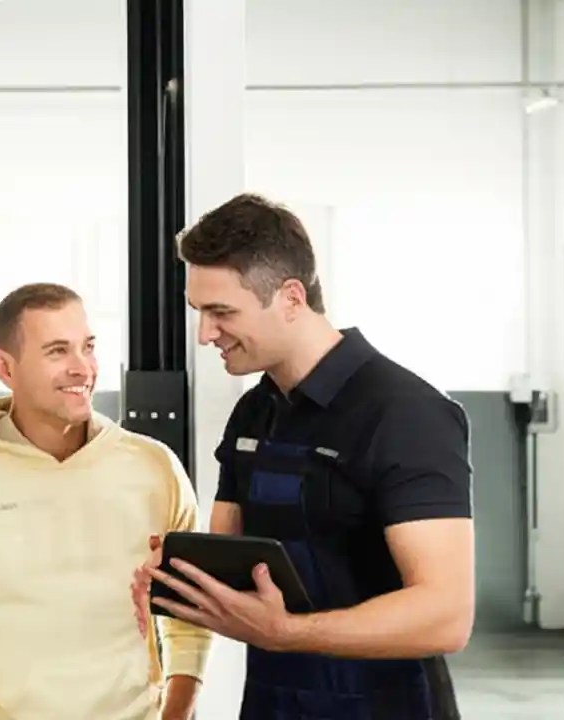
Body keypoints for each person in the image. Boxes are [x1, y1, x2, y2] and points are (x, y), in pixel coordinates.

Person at [130, 193, 475, 719]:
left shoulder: (406, 412)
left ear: (291, 298)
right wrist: (173, 578)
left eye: (222, 312)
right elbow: (228, 554)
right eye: (200, 312)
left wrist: (288, 632)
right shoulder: (254, 412)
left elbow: (445, 615)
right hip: (274, 702)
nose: (205, 334)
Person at [0, 282, 212, 720]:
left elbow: (190, 616)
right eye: (58, 351)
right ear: (4, 367)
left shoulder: (155, 468)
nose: (83, 368)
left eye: (87, 347)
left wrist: (176, 714)